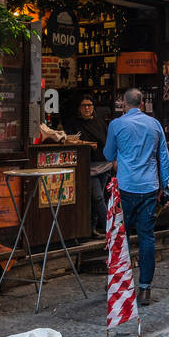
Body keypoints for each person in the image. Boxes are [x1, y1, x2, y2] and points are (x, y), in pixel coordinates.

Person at [103, 88, 169, 306]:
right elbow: (163, 157)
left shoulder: (116, 125)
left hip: (125, 187)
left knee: (121, 237)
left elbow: (108, 154)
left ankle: (120, 282)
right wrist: (165, 185)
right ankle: (144, 289)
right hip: (149, 187)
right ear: (142, 104)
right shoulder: (154, 125)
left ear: (124, 103)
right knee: (147, 237)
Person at [70, 94, 111, 234]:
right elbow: (70, 141)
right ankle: (110, 229)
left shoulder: (100, 123)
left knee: (97, 199)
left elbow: (107, 142)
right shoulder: (74, 124)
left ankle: (92, 228)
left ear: (93, 107)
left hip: (105, 165)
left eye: (89, 105)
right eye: (84, 105)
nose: (87, 108)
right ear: (79, 108)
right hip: (88, 167)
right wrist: (87, 144)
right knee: (98, 197)